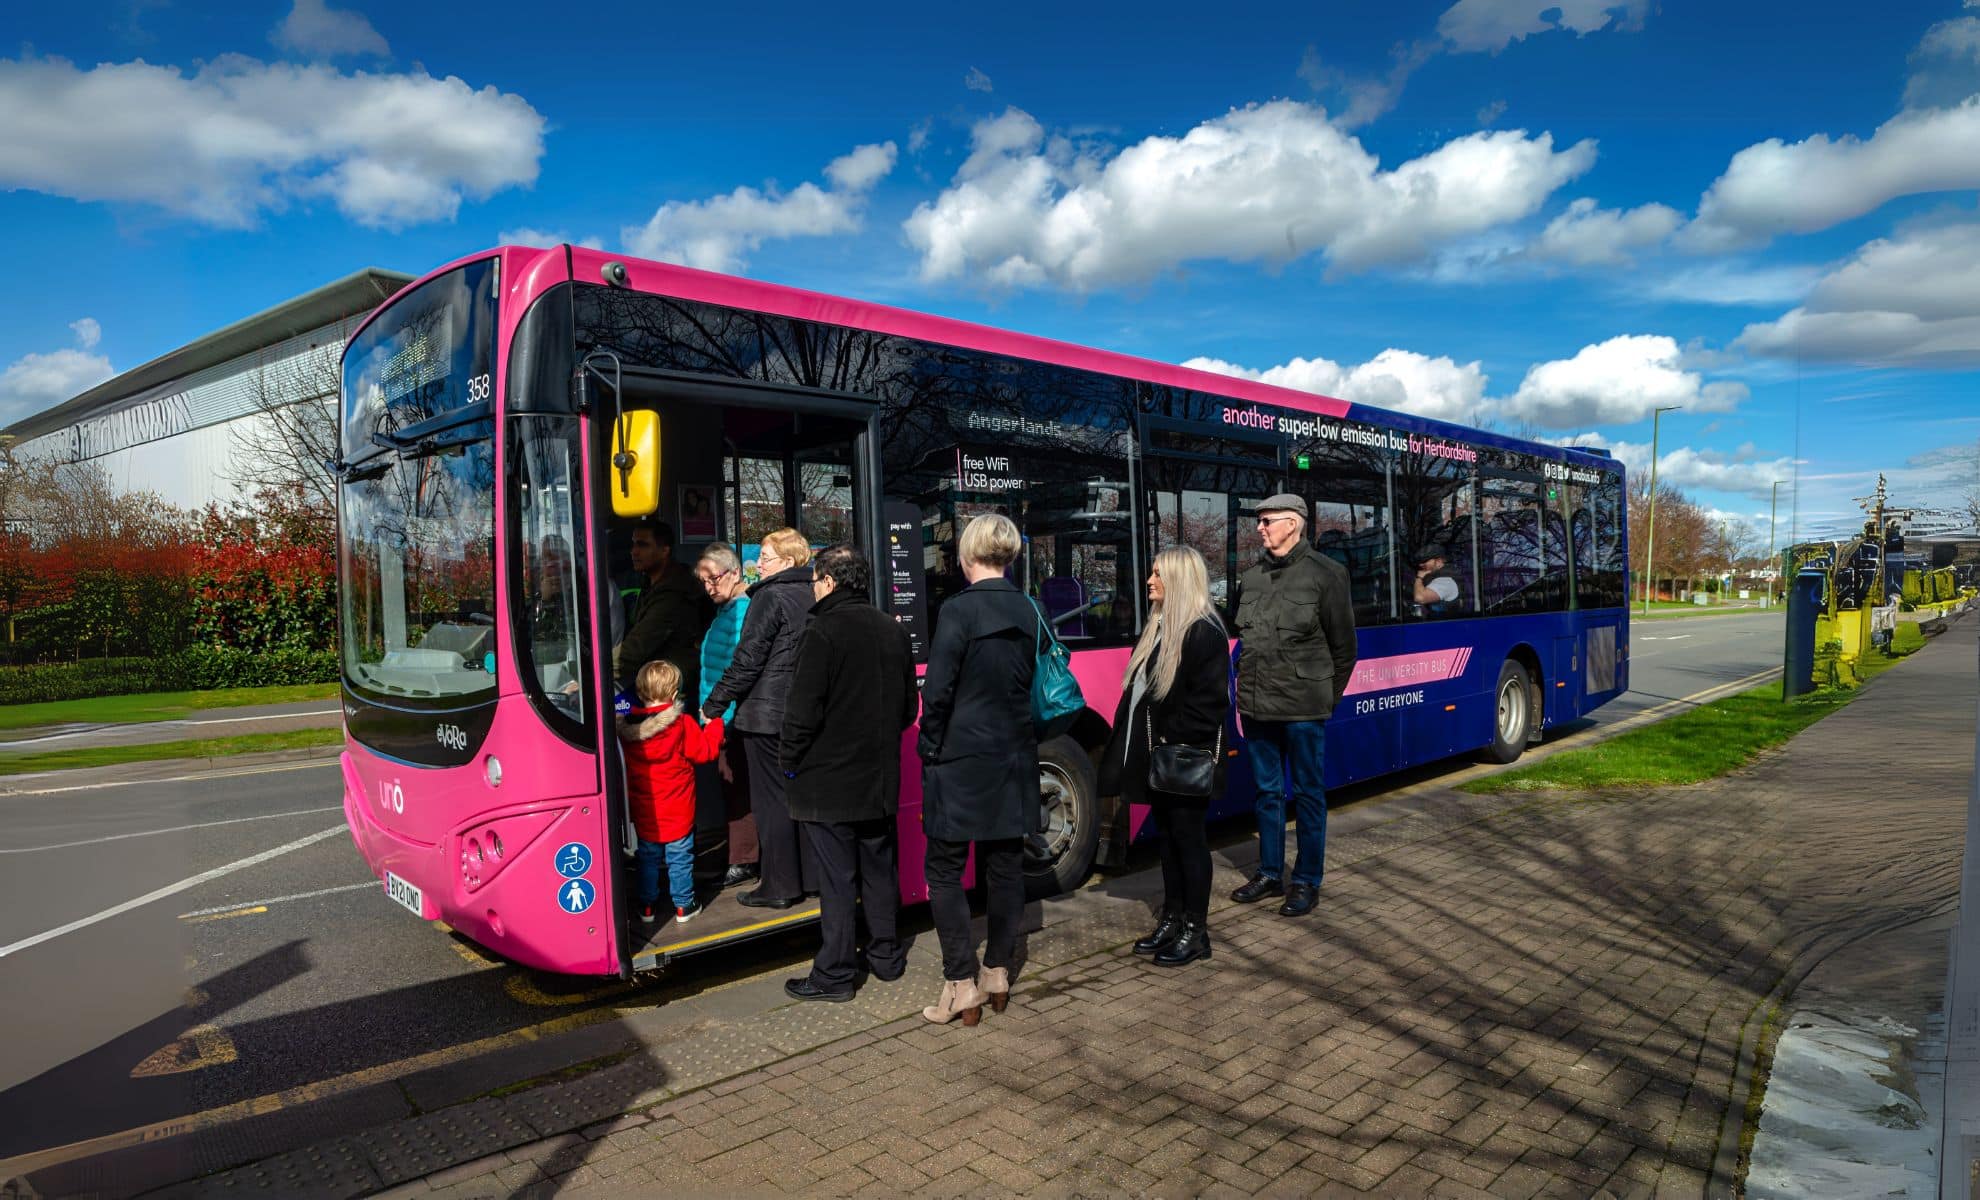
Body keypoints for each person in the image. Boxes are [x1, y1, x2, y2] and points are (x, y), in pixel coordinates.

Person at [778, 544, 918, 1002]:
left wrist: (789, 762)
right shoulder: (892, 631)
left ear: (830, 582)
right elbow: (907, 709)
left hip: (828, 783)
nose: (814, 589)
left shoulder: (821, 632)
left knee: (838, 880)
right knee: (879, 870)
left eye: (816, 580)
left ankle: (835, 974)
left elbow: (801, 713)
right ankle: (886, 958)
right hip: (877, 780)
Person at [916, 514, 1038, 1024]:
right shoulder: (1029, 608)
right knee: (1006, 865)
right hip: (1013, 754)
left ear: (967, 556)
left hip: (960, 756)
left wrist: (927, 744)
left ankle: (960, 984)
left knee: (944, 869)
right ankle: (998, 973)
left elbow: (938, 688)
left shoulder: (958, 610)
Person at [1101, 546, 1232, 966]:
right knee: (1169, 844)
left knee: (1189, 843)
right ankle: (1172, 919)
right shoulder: (1159, 627)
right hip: (1160, 762)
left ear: (1179, 580)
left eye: (1158, 574)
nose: (1149, 580)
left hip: (1180, 760)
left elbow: (1208, 706)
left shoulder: (1203, 632)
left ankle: (1196, 931)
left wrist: (1165, 741)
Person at [1230, 494, 1357, 918]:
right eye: (1260, 521)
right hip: (1257, 707)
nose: (1260, 528)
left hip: (1304, 710)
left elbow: (1345, 650)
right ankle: (1269, 873)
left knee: (1307, 795)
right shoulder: (1251, 578)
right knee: (1267, 794)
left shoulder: (1327, 574)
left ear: (1293, 523)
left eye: (1267, 521)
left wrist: (1323, 698)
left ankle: (1305, 880)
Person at [702, 529, 817, 909]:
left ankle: (779, 886)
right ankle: (811, 878)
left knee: (770, 804)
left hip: (766, 718)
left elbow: (747, 660)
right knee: (800, 799)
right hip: (801, 714)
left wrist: (714, 704)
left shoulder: (768, 596)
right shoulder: (811, 593)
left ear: (786, 561)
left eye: (765, 557)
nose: (759, 564)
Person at [618, 659, 725, 925]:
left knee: (648, 857)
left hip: (645, 810)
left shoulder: (625, 731)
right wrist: (714, 725)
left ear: (641, 694)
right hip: (678, 808)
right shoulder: (681, 725)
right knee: (680, 857)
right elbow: (705, 752)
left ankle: (646, 905)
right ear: (675, 694)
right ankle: (683, 905)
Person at [696, 544, 758, 890]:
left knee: (738, 789)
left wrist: (723, 718)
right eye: (703, 581)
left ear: (735, 573)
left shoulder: (742, 611)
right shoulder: (727, 610)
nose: (708, 587)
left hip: (728, 718)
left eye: (713, 579)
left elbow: (739, 667)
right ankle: (741, 855)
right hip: (719, 715)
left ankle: (744, 859)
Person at [615, 518, 714, 701]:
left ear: (664, 551)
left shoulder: (673, 593)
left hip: (668, 687)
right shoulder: (651, 584)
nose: (634, 552)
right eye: (633, 544)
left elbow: (636, 648)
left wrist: (594, 671)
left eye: (643, 545)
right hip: (654, 678)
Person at [1412, 542, 1461, 615]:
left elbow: (1420, 598)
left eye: (1425, 561)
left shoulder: (1446, 581)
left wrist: (1419, 577)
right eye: (1419, 562)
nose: (1421, 564)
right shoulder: (1435, 576)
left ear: (1439, 562)